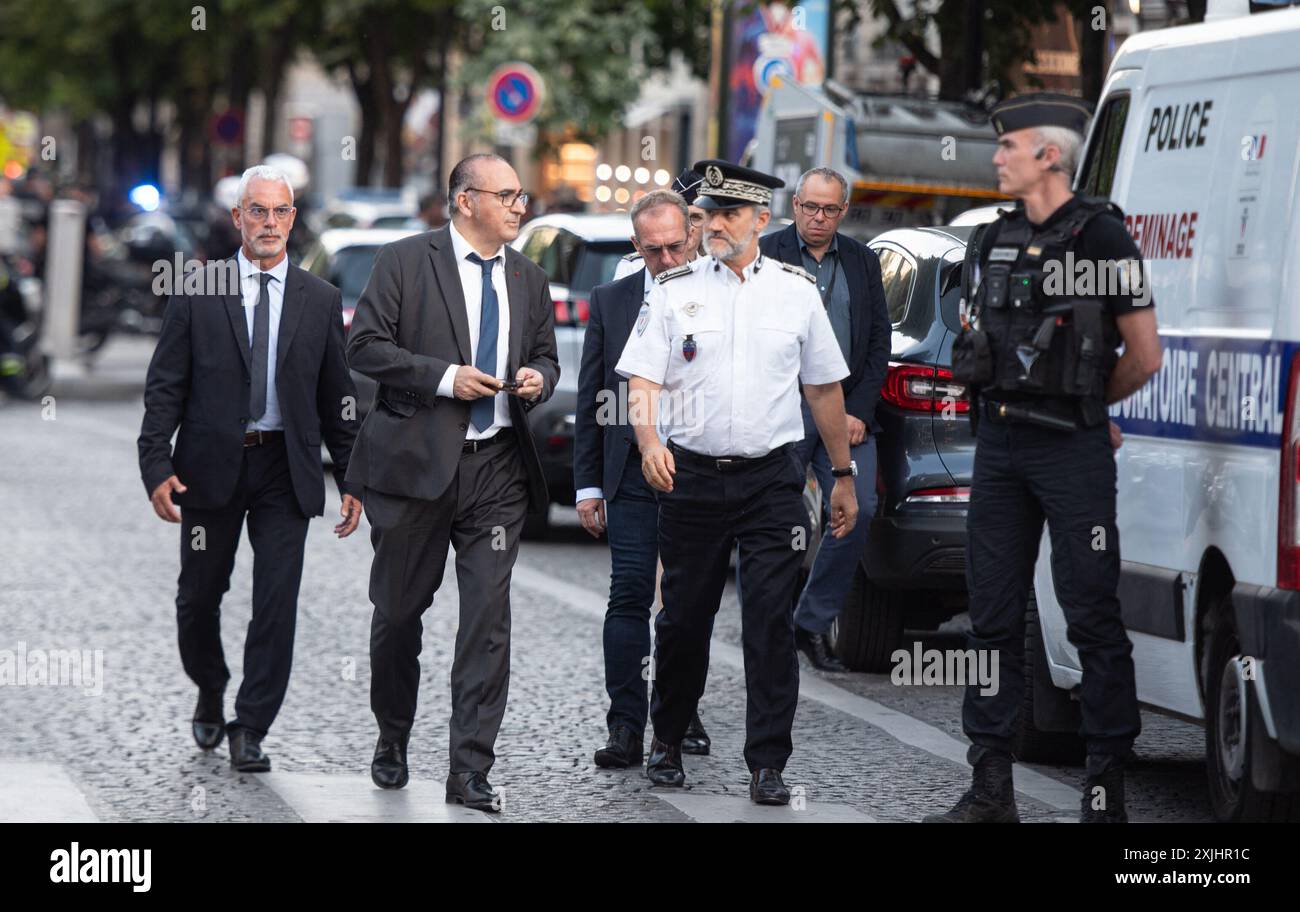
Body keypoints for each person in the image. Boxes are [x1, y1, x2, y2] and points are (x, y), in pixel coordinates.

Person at [924, 93, 1162, 823]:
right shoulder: (990, 239)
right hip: (998, 445)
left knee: (1090, 613)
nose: (995, 158)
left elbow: (1144, 355)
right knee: (991, 617)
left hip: (1069, 449)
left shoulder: (1103, 238)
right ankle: (990, 788)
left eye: (1008, 147)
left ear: (1049, 156)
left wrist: (1088, 410)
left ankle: (1104, 792)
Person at [616, 159, 859, 805]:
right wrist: (648, 443)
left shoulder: (795, 291)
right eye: (707, 213)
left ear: (760, 219)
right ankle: (666, 738)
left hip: (771, 481)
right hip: (692, 477)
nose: (711, 225)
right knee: (684, 619)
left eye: (726, 214)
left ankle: (768, 762)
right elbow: (642, 380)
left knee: (770, 623)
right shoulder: (671, 290)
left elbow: (823, 387)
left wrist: (842, 475)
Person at [345, 153, 560, 813]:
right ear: (466, 200)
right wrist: (445, 378)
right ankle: (393, 734)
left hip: (496, 469)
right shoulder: (407, 261)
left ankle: (469, 771)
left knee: (488, 620)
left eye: (522, 197)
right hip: (415, 468)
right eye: (508, 195)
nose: (520, 207)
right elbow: (365, 347)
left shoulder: (529, 277)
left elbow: (546, 353)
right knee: (399, 614)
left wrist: (538, 379)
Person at [137, 165, 361, 772]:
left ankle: (252, 723)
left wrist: (352, 477)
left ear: (293, 218)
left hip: (283, 473)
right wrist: (157, 464)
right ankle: (210, 685)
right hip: (209, 469)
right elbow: (164, 389)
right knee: (198, 597)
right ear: (238, 218)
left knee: (276, 602)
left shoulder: (320, 300)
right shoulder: (198, 288)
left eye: (280, 211)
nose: (269, 222)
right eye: (257, 211)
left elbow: (336, 398)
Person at [574, 189, 712, 769]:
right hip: (632, 471)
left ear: (694, 236)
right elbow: (592, 398)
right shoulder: (611, 300)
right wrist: (587, 485)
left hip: (703, 470)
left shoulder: (721, 294)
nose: (665, 259)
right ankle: (626, 726)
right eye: (652, 250)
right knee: (629, 594)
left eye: (675, 246)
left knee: (687, 605)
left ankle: (678, 718)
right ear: (637, 246)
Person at [759, 167, 891, 671]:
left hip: (843, 410)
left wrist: (858, 408)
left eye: (829, 209)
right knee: (773, 518)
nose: (818, 217)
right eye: (810, 207)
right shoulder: (767, 255)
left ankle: (810, 623)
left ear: (844, 212)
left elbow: (879, 341)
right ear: (794, 206)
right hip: (779, 408)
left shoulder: (861, 261)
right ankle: (768, 626)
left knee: (858, 511)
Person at [613, 169, 707, 281]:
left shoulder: (711, 271)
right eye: (654, 249)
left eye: (696, 217)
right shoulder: (632, 268)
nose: (689, 225)